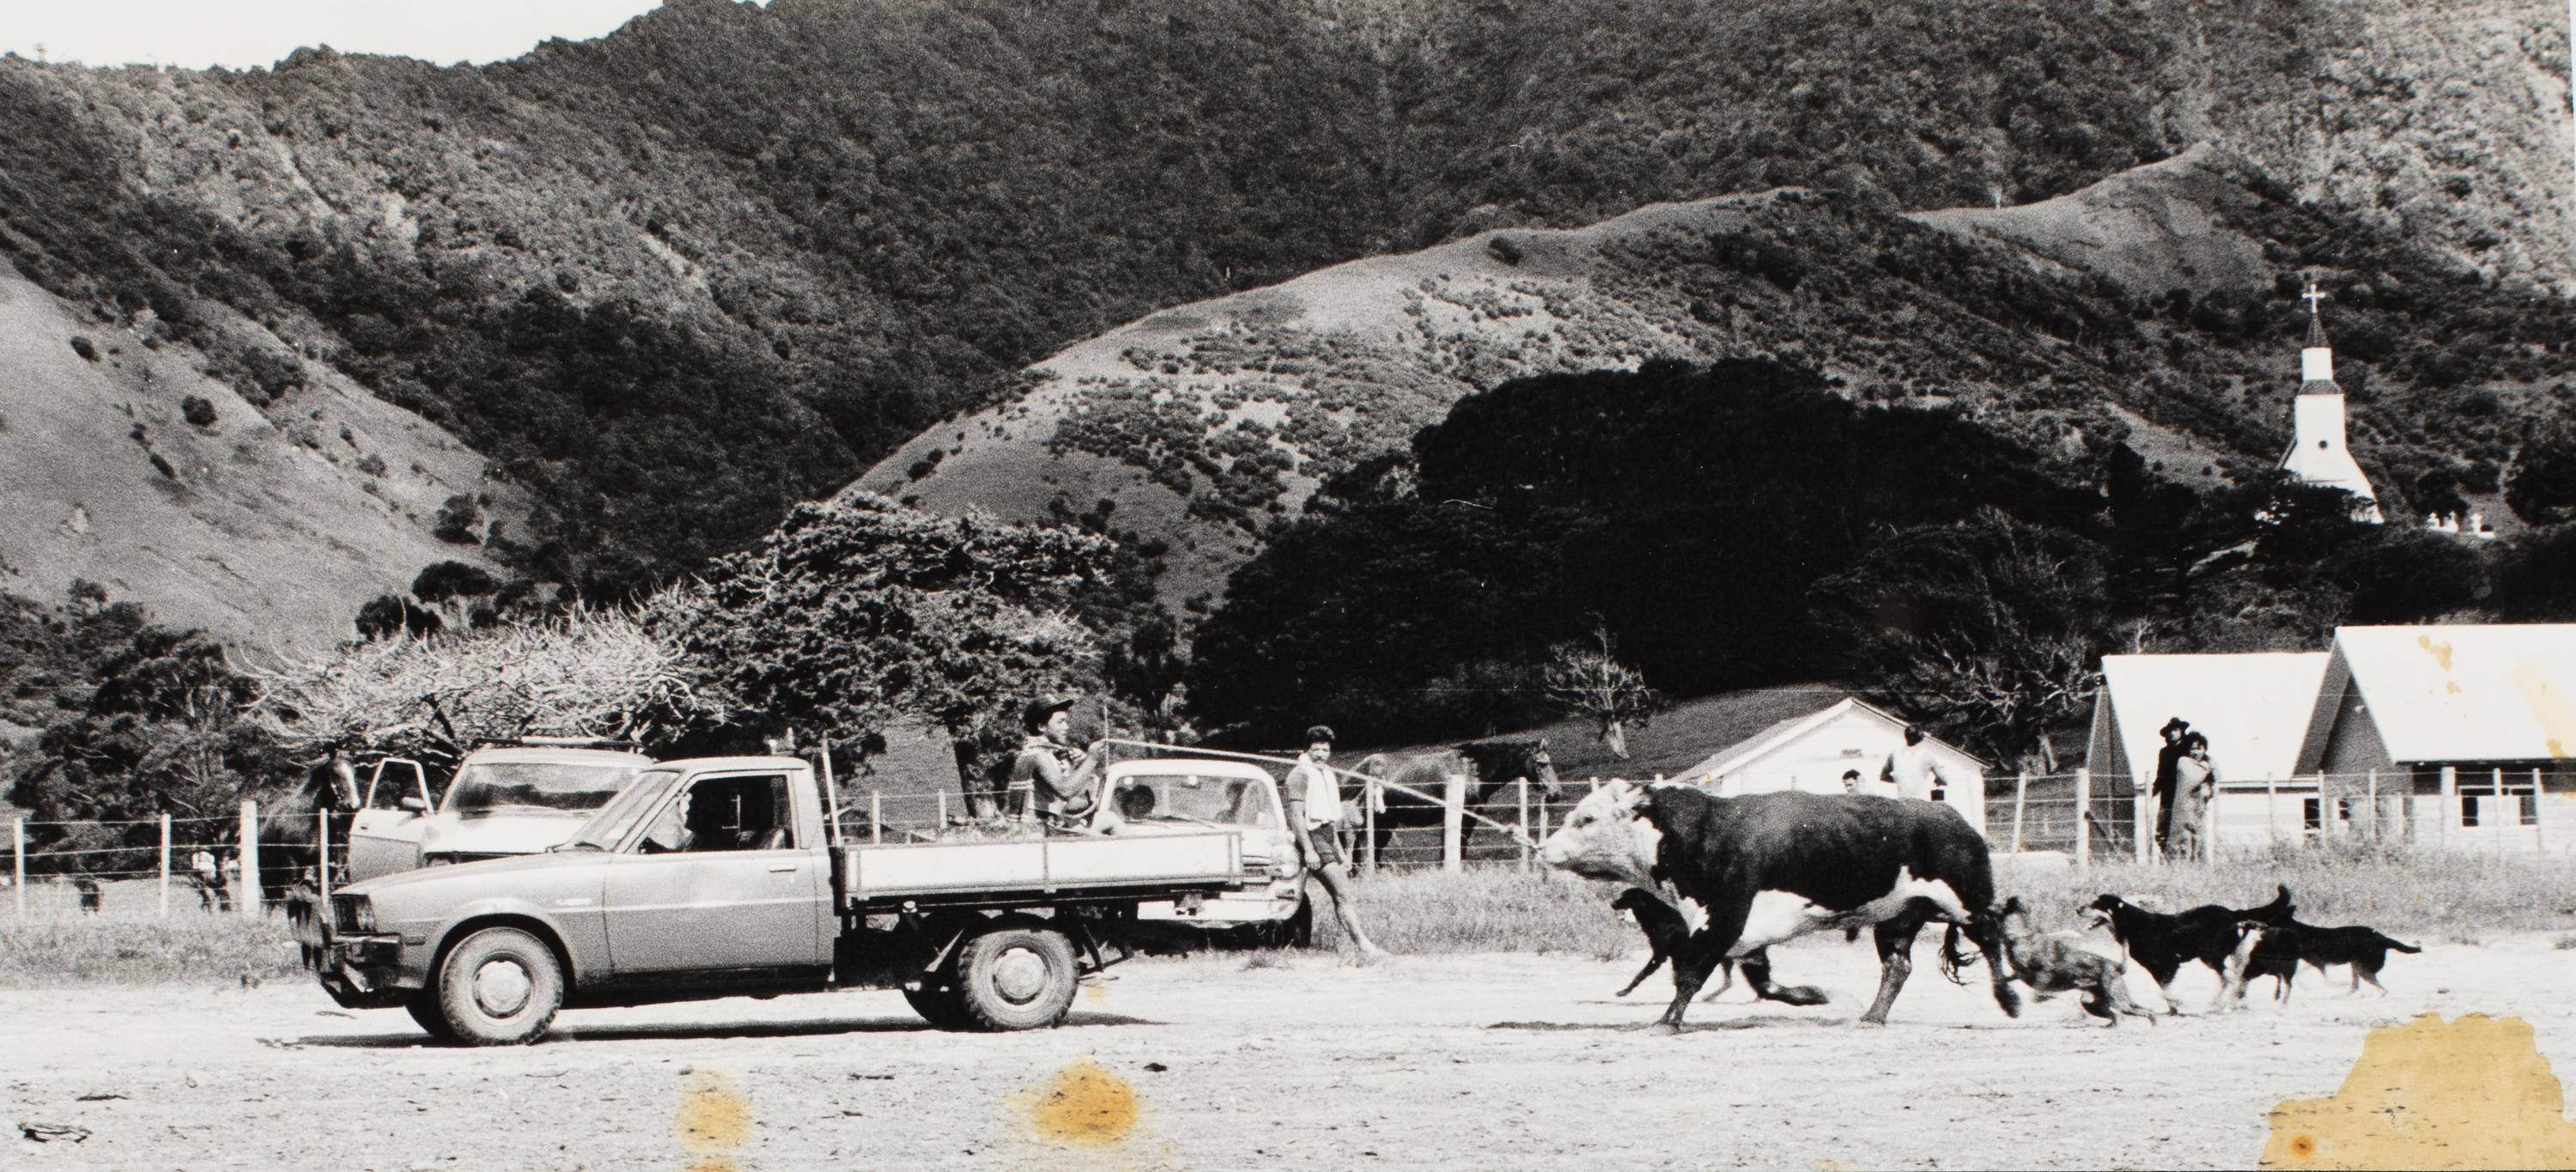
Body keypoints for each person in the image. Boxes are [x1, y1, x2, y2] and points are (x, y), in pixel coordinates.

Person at [1282, 726, 1388, 960]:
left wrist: (1341, 852)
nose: (1320, 754)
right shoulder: (1299, 775)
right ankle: (1364, 945)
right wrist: (1309, 849)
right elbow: (1296, 817)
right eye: (1315, 749)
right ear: (1306, 750)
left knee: (1342, 895)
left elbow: (1330, 822)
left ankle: (1352, 943)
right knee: (1343, 894)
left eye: (1325, 749)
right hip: (1312, 837)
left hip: (1327, 836)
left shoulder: (1326, 774)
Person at [1009, 696, 1103, 829]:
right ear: (1042, 726)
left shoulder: (1039, 752)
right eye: (1061, 722)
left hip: (1043, 827)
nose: (1066, 727)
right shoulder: (1038, 755)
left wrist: (1076, 766)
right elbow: (1066, 790)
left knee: (1109, 820)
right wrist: (1092, 759)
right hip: (1038, 832)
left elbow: (1062, 801)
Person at [1880, 726, 1966, 801]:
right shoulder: (1927, 756)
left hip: (1901, 800)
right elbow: (1944, 780)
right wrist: (1937, 780)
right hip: (1921, 801)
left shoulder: (1894, 754)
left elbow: (1883, 777)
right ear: (1921, 738)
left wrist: (1900, 779)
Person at [2169, 732, 2217, 863]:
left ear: (2204, 749)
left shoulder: (2207, 764)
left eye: (2199, 748)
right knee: (2185, 838)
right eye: (2192, 749)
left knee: (2199, 839)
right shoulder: (2184, 763)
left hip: (2200, 808)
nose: (2196, 752)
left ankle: (2198, 865)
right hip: (2185, 806)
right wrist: (2208, 768)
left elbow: (2215, 781)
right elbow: (2193, 777)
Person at [2152, 717, 2191, 858]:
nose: (2172, 733)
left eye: (2176, 730)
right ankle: (2167, 857)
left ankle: (2185, 858)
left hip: (2183, 795)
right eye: (2170, 731)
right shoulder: (2164, 752)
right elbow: (2161, 773)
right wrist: (2154, 789)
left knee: (2183, 829)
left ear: (2181, 732)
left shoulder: (2188, 750)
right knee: (2163, 830)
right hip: (2167, 796)